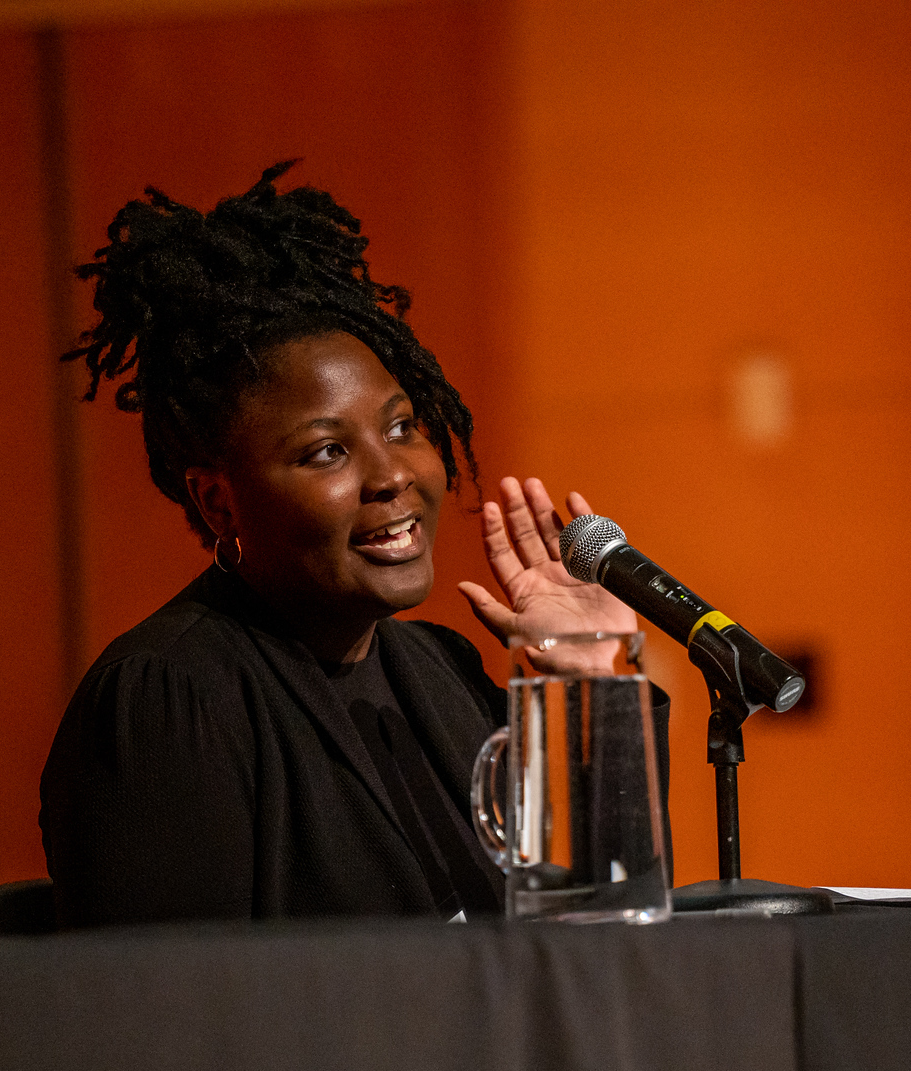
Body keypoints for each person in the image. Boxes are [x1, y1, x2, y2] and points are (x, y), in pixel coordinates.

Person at [41, 163, 655, 927]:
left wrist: (594, 693)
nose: (393, 474)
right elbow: (179, 1021)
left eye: (402, 427)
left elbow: (599, 932)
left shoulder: (444, 673)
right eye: (327, 451)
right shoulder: (171, 701)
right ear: (216, 498)